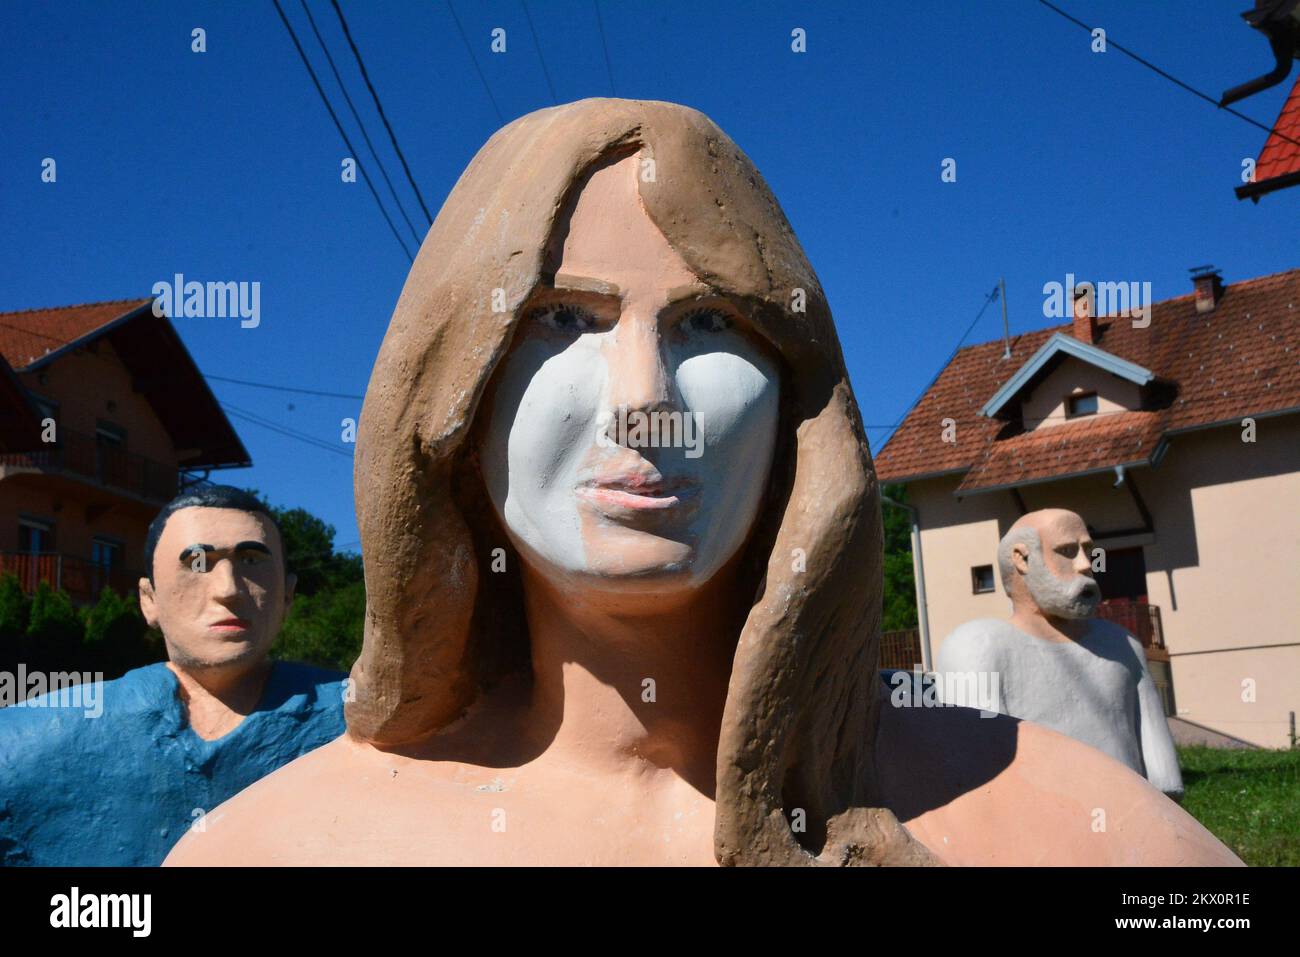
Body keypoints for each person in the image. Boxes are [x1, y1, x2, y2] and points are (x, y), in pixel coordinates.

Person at [165, 98, 1238, 867]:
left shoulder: (1055, 816)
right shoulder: (272, 848)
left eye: (710, 323)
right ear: (453, 396)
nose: (645, 401)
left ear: (795, 395)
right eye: (563, 322)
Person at [0, 485, 346, 865]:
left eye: (250, 560)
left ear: (288, 595)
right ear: (149, 599)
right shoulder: (28, 739)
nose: (228, 589)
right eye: (197, 563)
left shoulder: (366, 718)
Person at [933, 509, 1184, 799]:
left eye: (1088, 551)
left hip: (1138, 826)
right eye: (1067, 551)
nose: (1085, 565)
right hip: (1036, 834)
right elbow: (979, 781)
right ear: (1022, 559)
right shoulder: (977, 645)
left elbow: (1166, 781)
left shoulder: (1123, 645)